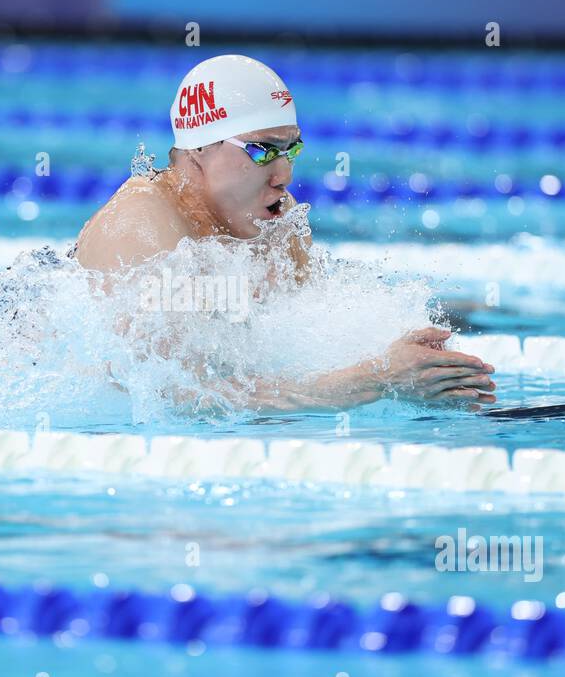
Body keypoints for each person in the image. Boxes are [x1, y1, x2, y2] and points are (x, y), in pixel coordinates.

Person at [74, 54, 496, 412]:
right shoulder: (140, 228)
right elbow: (173, 395)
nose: (285, 176)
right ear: (200, 149)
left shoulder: (276, 220)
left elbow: (298, 331)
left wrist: (414, 366)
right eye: (262, 151)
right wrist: (374, 381)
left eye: (291, 148)